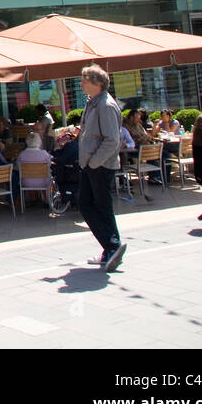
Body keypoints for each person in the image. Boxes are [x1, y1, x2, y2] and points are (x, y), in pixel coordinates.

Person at [77, 65, 127, 271]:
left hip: (100, 165)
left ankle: (112, 245)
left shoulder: (105, 105)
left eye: (84, 81)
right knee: (92, 205)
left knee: (96, 206)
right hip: (93, 164)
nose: (81, 84)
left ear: (96, 84)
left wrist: (94, 161)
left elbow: (112, 140)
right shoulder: (94, 103)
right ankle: (110, 248)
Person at [17, 133, 54, 198]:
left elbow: (18, 167)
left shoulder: (22, 154)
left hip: (26, 183)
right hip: (43, 183)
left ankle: (33, 199)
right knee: (48, 175)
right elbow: (51, 164)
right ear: (39, 142)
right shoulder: (44, 154)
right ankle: (46, 199)